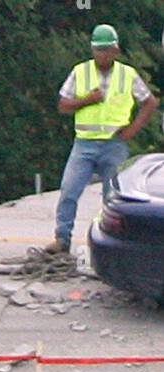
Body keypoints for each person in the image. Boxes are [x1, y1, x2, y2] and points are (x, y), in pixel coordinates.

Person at [46, 23, 159, 254]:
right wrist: (88, 100)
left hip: (114, 144)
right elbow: (63, 105)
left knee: (114, 200)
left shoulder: (127, 74)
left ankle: (111, 245)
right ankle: (62, 239)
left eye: (107, 50)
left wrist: (133, 129)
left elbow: (150, 102)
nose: (103, 55)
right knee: (69, 191)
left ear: (116, 51)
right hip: (84, 143)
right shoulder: (81, 71)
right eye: (98, 50)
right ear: (92, 50)